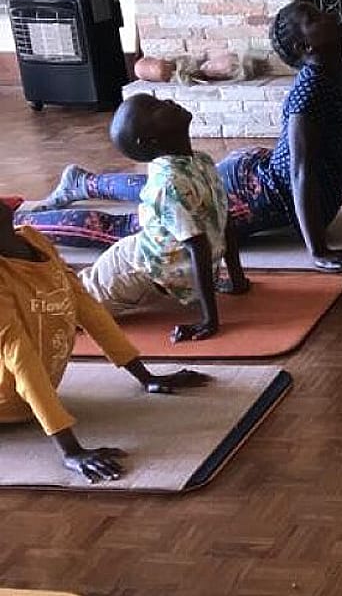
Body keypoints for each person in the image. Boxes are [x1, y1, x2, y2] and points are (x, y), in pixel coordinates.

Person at [27, 2, 342, 273]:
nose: (329, 15)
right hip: (258, 194)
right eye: (314, 17)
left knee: (176, 188)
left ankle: (83, 181)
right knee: (142, 226)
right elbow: (301, 174)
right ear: (306, 46)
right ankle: (27, 222)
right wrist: (316, 252)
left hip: (259, 169)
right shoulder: (308, 93)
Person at [0, 196, 209, 483]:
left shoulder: (33, 240)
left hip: (37, 389)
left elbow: (88, 309)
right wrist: (71, 451)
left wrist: (145, 377)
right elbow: (21, 359)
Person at [21, 94, 249, 342]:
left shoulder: (200, 162)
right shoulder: (169, 184)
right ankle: (17, 311)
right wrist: (209, 321)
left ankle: (32, 291)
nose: (168, 102)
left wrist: (237, 281)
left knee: (79, 290)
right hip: (140, 263)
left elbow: (222, 221)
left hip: (150, 259)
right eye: (155, 108)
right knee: (72, 306)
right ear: (150, 140)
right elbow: (199, 247)